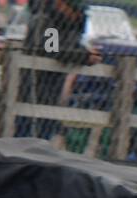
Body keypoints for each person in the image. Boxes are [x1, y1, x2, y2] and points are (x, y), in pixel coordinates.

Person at [21, 0, 100, 143]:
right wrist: (82, 56)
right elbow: (52, 49)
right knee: (29, 133)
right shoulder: (45, 18)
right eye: (72, 9)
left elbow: (70, 45)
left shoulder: (72, 23)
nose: (77, 14)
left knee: (46, 132)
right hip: (34, 85)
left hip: (53, 86)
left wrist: (85, 54)